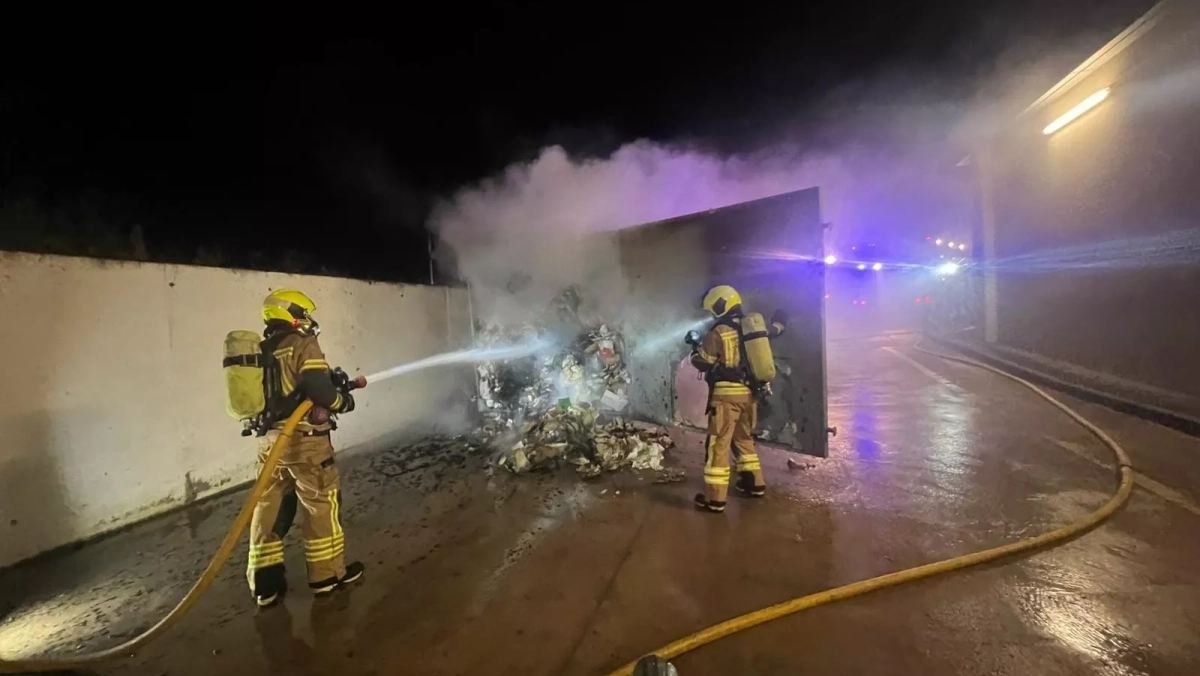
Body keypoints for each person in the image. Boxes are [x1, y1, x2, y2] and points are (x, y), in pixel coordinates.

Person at [246, 289, 366, 607]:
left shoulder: (261, 350)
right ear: (287, 313)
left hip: (270, 445)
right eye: (302, 312)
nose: (307, 319)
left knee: (267, 508)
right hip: (305, 443)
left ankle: (264, 584)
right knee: (321, 504)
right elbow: (319, 390)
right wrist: (344, 401)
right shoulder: (302, 344)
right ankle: (327, 575)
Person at [689, 285, 785, 513]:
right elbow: (774, 332)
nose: (711, 314)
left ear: (720, 305)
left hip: (725, 398)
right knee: (743, 439)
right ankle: (754, 483)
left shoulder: (720, 331)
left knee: (718, 444)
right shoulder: (752, 328)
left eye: (712, 309)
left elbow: (704, 361)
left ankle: (715, 499)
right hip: (749, 395)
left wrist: (693, 347)